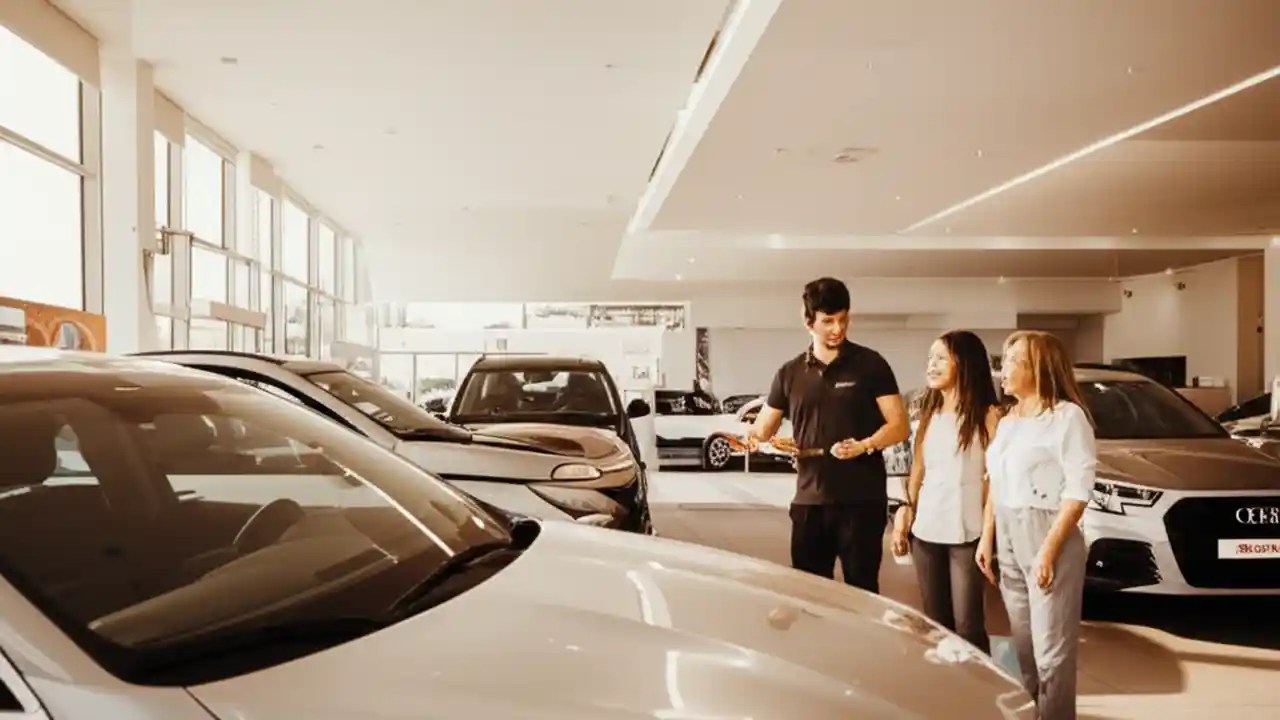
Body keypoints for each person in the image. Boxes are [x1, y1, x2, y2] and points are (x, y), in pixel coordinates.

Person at [748, 277, 910, 592]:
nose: (838, 328)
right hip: (810, 503)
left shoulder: (871, 365)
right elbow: (764, 429)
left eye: (843, 319)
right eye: (828, 321)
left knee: (862, 592)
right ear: (808, 321)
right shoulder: (789, 373)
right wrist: (753, 434)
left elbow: (899, 425)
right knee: (810, 595)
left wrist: (865, 445)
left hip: (862, 501)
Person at [976, 330, 1095, 720]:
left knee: (1052, 654)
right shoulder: (1009, 420)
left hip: (1048, 532)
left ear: (1038, 368)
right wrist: (988, 537)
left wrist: (1048, 549)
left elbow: (1078, 492)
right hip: (1008, 531)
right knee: (1025, 649)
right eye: (1004, 360)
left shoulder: (1066, 418)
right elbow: (994, 480)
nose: (1003, 369)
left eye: (1013, 361)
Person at [891, 330, 999, 653]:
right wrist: (904, 515)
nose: (931, 365)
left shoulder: (988, 415)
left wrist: (987, 535)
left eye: (940, 358)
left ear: (963, 364)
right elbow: (918, 470)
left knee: (968, 625)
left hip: (967, 532)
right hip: (926, 532)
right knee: (934, 624)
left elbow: (994, 480)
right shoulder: (928, 412)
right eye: (929, 359)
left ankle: (978, 692)